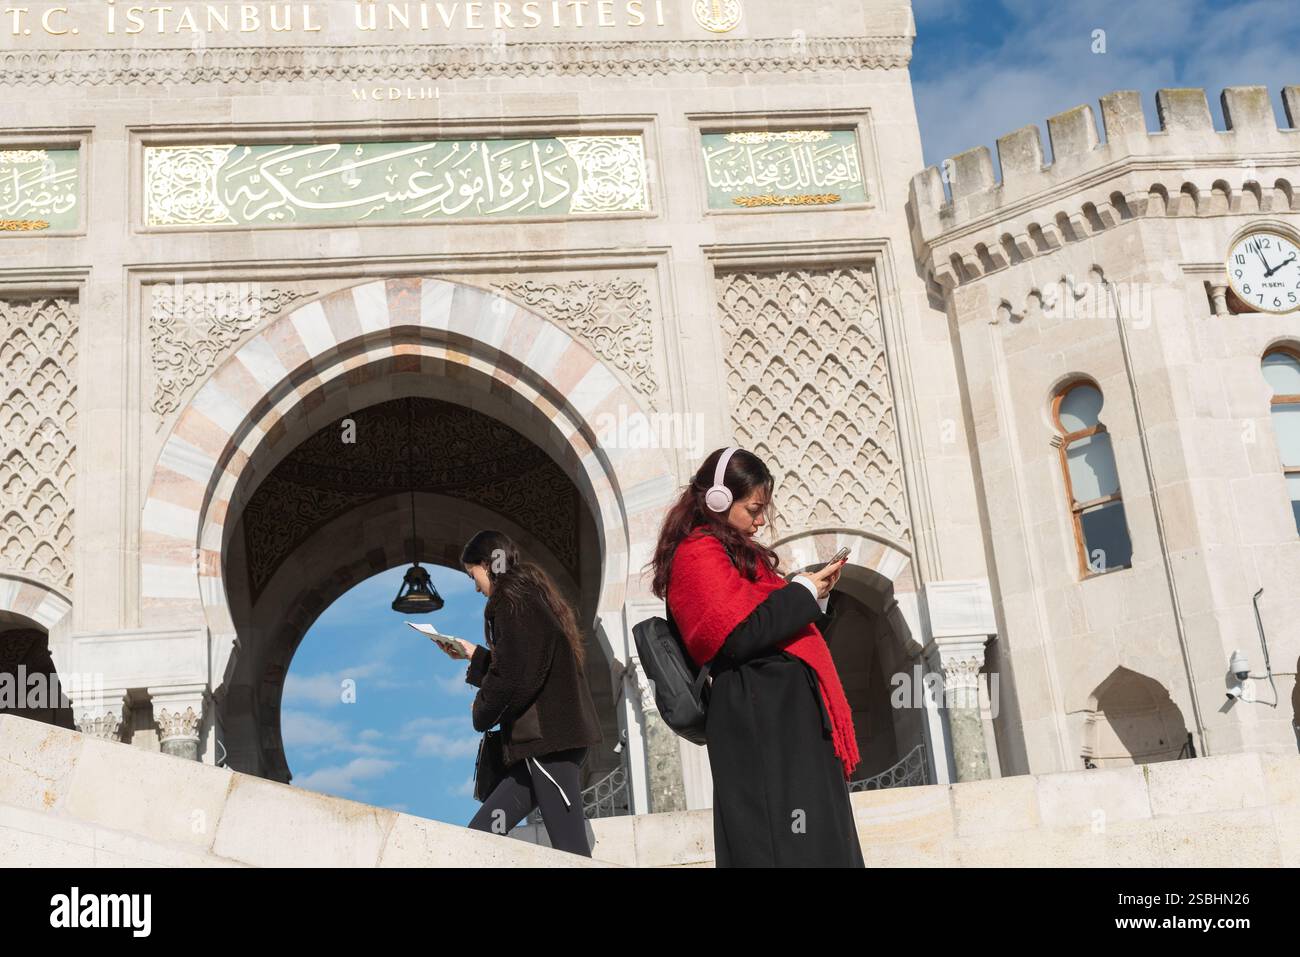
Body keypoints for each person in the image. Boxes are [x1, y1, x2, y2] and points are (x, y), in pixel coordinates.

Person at [649, 446, 865, 867]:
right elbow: (737, 636)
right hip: (758, 718)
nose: (760, 520)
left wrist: (813, 595)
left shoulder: (735, 555)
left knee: (816, 844)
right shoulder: (696, 556)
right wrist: (801, 591)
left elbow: (766, 619)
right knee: (779, 845)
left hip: (783, 719)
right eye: (754, 508)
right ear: (718, 499)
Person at [435, 530, 603, 857]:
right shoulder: (529, 597)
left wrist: (480, 710)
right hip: (540, 751)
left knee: (573, 852)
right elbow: (524, 665)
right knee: (478, 839)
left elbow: (514, 677)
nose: (475, 586)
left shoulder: (511, 601)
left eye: (474, 575)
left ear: (488, 564)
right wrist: (475, 655)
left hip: (548, 748)